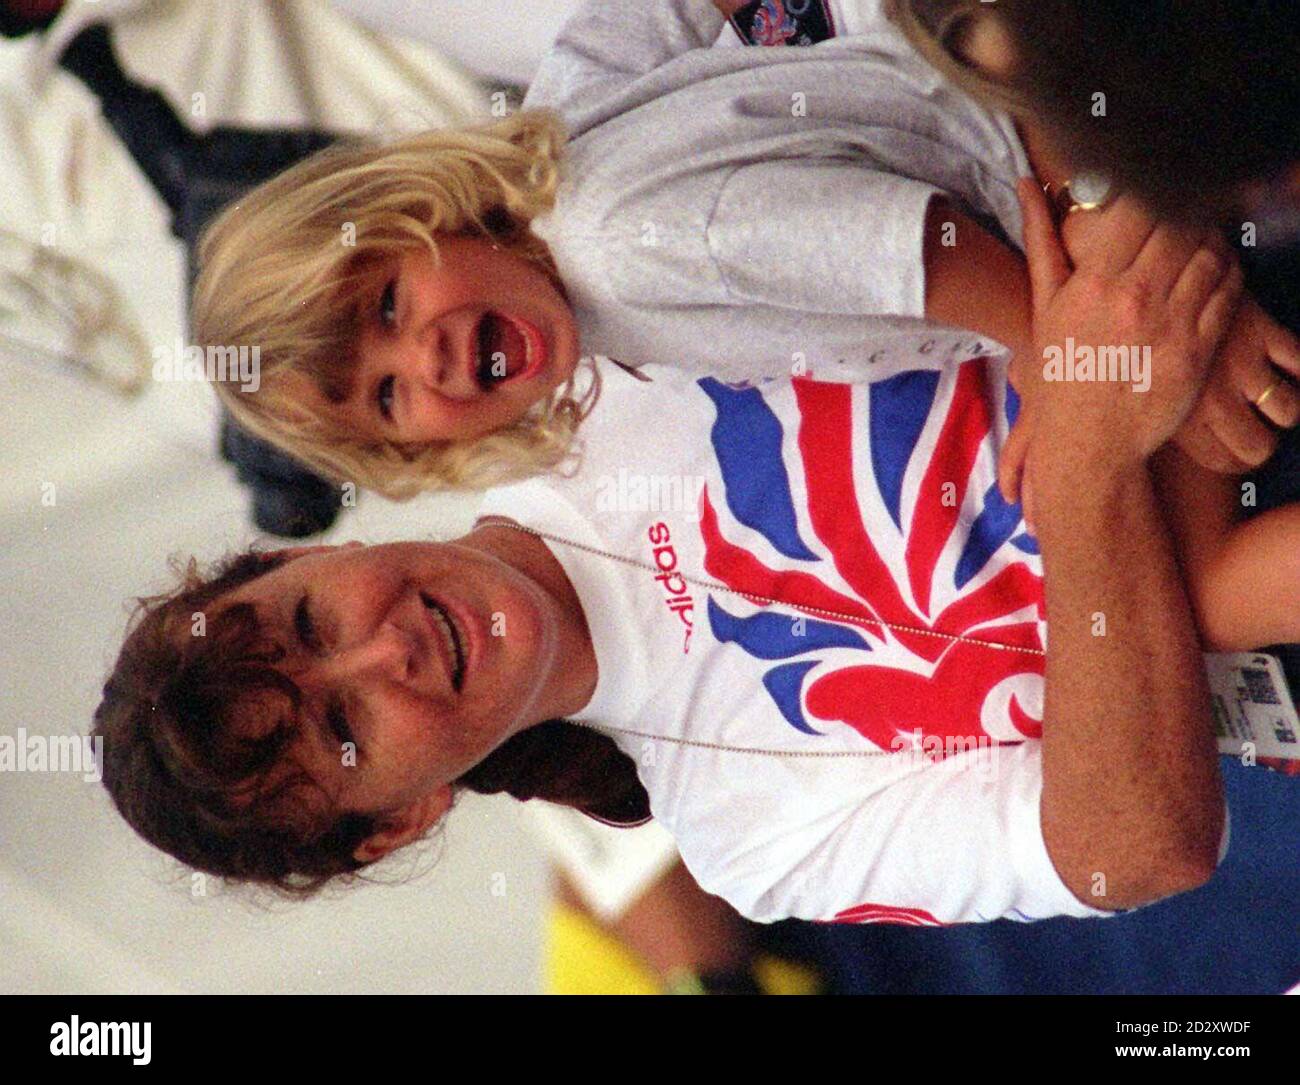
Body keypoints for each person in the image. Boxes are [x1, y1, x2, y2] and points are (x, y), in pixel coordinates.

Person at [94, 182, 1240, 924]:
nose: (384, 649)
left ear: (293, 560)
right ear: (401, 818)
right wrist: (1090, 455)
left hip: (1220, 239)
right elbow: (1136, 849)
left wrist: (1121, 235)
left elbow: (937, 128)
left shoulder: (544, 341)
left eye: (311, 621)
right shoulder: (748, 836)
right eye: (345, 725)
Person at [189, 0, 1299, 502]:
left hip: (1036, 173)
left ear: (417, 212)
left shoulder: (618, 249)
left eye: (387, 305)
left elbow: (917, 246)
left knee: (1219, 425)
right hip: (1004, 107)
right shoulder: (562, 117)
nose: (425, 359)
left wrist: (1058, 366)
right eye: (387, 397)